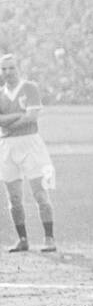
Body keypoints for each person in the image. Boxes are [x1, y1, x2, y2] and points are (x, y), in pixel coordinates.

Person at [0, 54, 57, 252]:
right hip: (7, 146)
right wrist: (18, 115)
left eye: (11, 68)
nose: (7, 72)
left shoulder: (29, 88)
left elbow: (32, 117)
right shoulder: (0, 93)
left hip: (30, 144)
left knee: (40, 194)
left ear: (18, 68)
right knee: (14, 198)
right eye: (4, 69)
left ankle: (49, 238)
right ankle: (23, 239)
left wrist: (9, 121)